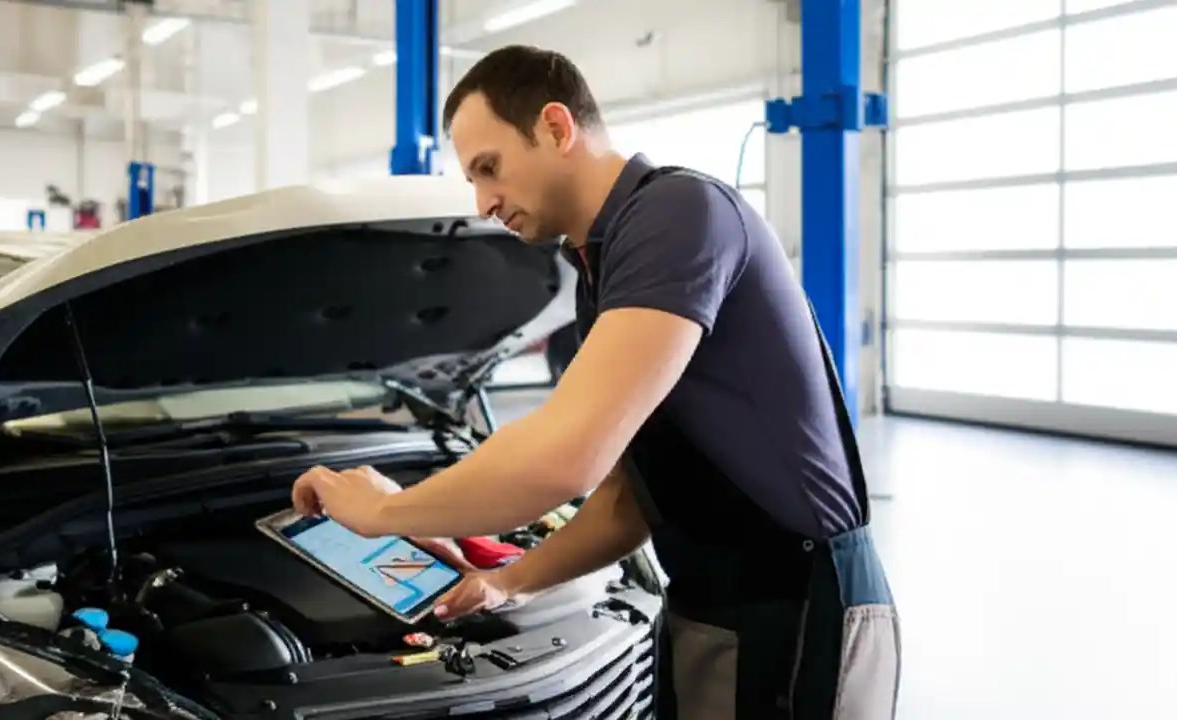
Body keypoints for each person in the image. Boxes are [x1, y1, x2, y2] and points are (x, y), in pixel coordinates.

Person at [292, 45, 900, 719]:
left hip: (800, 611)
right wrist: (508, 584)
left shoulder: (678, 215)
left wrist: (382, 512)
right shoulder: (600, 268)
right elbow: (630, 496)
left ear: (556, 127)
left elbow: (565, 457)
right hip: (716, 607)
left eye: (488, 168)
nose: (484, 201)